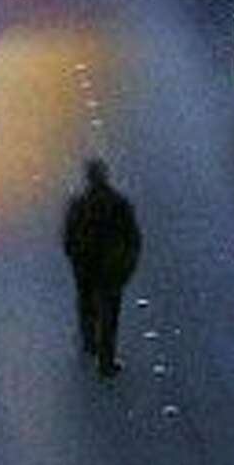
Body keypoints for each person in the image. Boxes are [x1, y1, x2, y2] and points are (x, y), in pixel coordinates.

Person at [63, 158, 142, 374]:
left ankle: (89, 340)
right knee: (109, 311)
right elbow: (132, 235)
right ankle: (106, 359)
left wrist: (74, 258)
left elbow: (68, 236)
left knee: (86, 302)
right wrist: (127, 263)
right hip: (110, 265)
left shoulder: (79, 204)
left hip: (85, 263)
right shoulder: (119, 203)